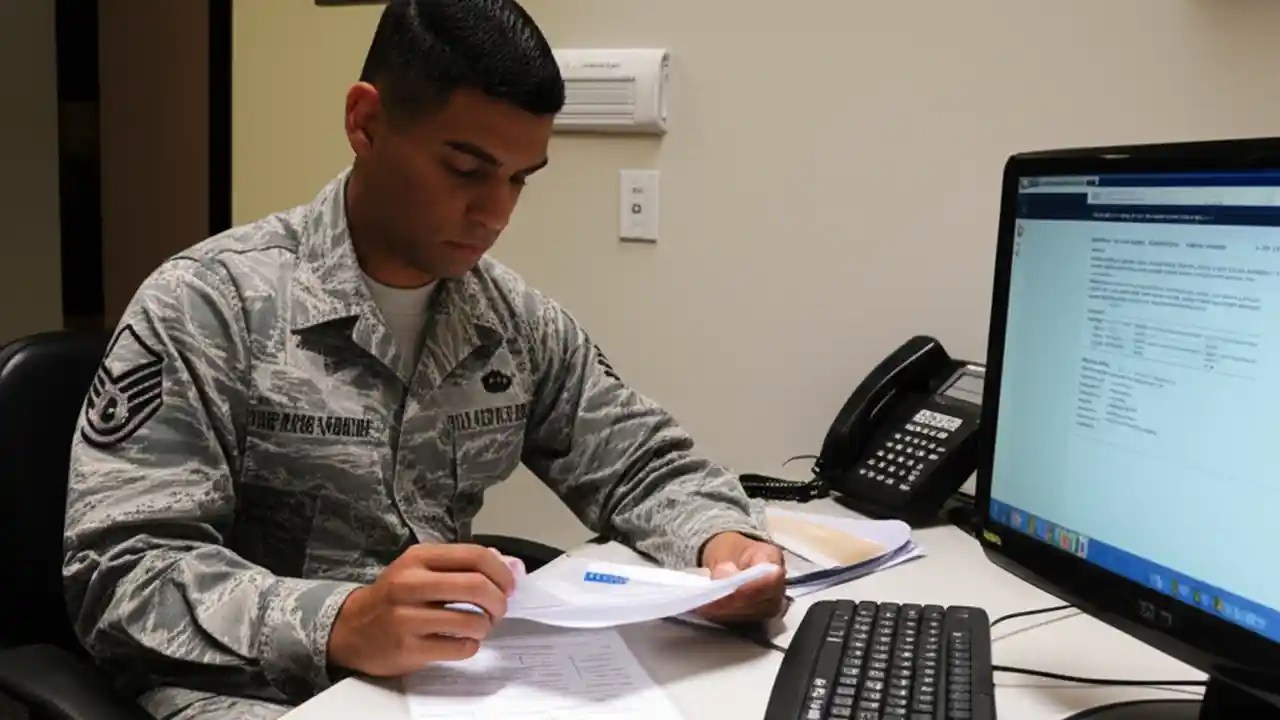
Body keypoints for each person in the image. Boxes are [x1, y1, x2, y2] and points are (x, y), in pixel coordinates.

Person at [62, 1, 785, 718]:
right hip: (252, 693)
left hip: (449, 685)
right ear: (366, 123)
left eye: (519, 179)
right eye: (467, 169)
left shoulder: (511, 322)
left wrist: (723, 546)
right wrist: (340, 621)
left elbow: (641, 463)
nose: (496, 213)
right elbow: (121, 577)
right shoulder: (209, 305)